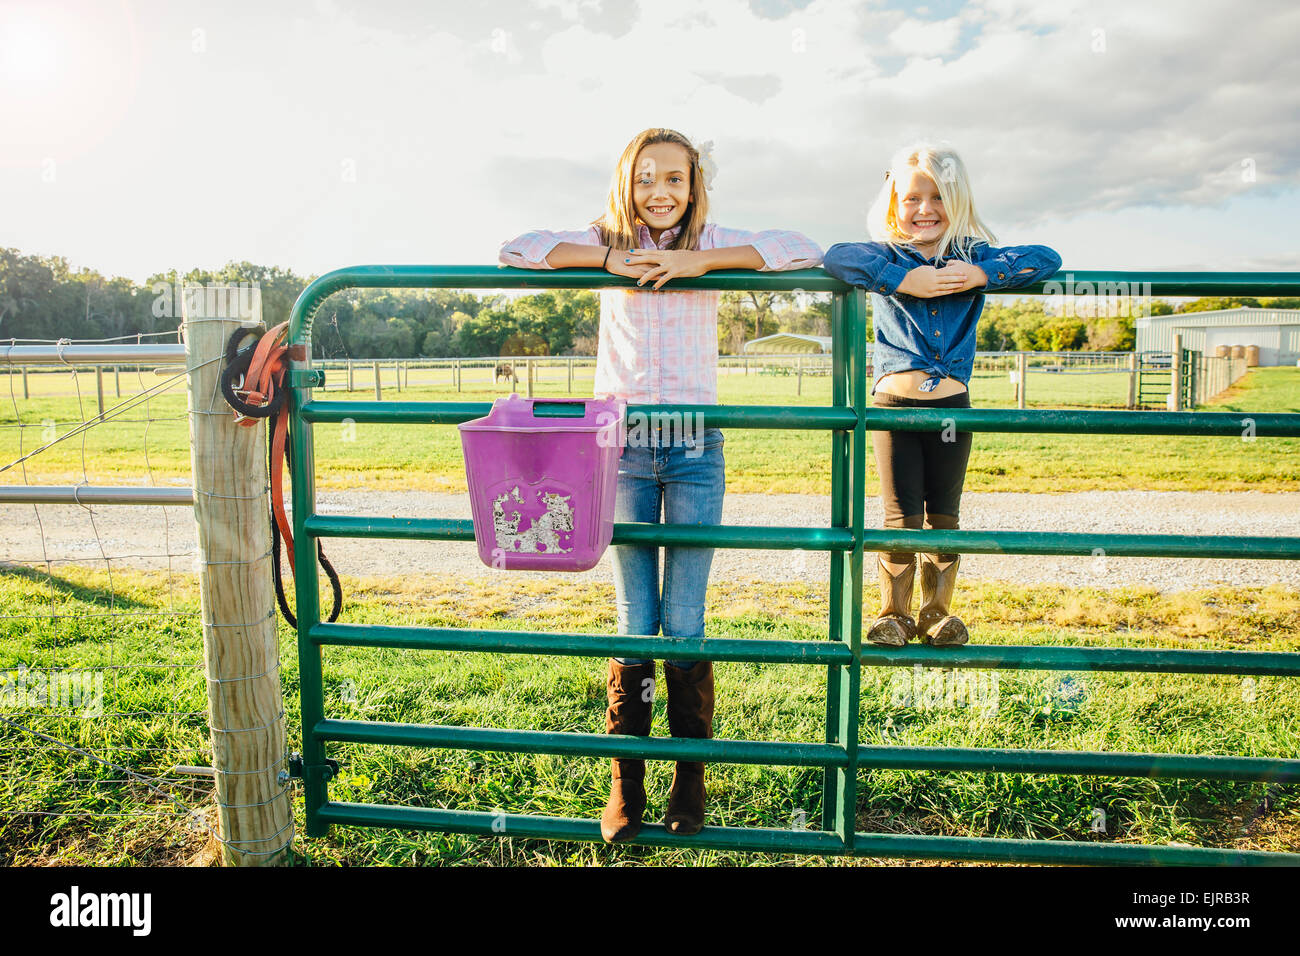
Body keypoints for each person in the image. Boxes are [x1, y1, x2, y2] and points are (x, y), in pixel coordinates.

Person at [499, 128, 822, 842]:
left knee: (685, 618)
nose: (660, 191)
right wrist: (613, 258)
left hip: (695, 445)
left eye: (674, 178)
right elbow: (517, 247)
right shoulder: (603, 236)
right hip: (618, 447)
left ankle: (689, 775)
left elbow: (803, 247)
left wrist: (696, 262)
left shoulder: (711, 236)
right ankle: (626, 780)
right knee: (633, 614)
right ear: (627, 182)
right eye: (646, 178)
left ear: (693, 183)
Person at [822, 142, 1061, 648]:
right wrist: (902, 278)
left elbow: (1046, 258)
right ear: (893, 204)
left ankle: (936, 613)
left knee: (944, 514)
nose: (925, 209)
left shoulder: (971, 255)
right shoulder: (884, 255)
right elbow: (837, 258)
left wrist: (983, 274)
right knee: (900, 515)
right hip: (895, 407)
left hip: (951, 406)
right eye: (912, 198)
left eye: (937, 197)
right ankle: (893, 614)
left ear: (957, 200)